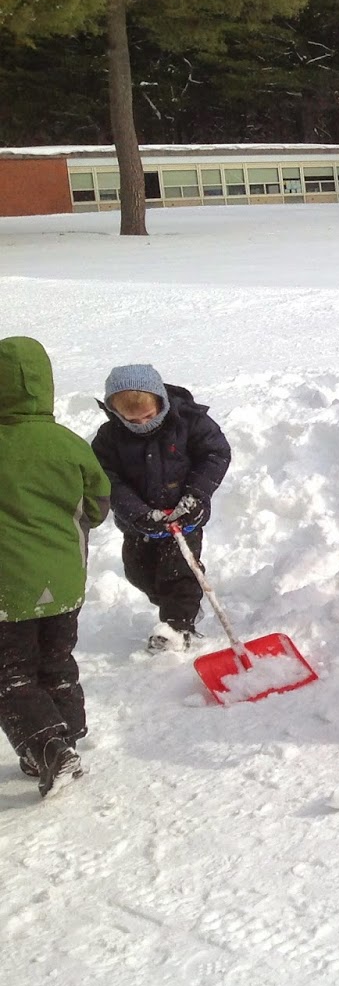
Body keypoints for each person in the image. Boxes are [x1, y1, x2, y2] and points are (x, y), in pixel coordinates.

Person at [0, 337, 111, 797]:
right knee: (56, 660)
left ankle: (49, 747)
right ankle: (67, 735)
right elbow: (97, 506)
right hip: (64, 581)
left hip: (8, 588)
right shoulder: (69, 444)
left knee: (12, 675)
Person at [90, 364, 231, 653]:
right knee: (138, 573)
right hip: (141, 522)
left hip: (184, 514)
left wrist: (195, 497)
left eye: (149, 416)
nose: (142, 424)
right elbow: (107, 479)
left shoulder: (188, 421)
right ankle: (180, 606)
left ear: (161, 402)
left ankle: (177, 625)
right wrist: (137, 513)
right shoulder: (109, 438)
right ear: (115, 412)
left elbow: (215, 454)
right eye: (132, 420)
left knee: (180, 571)